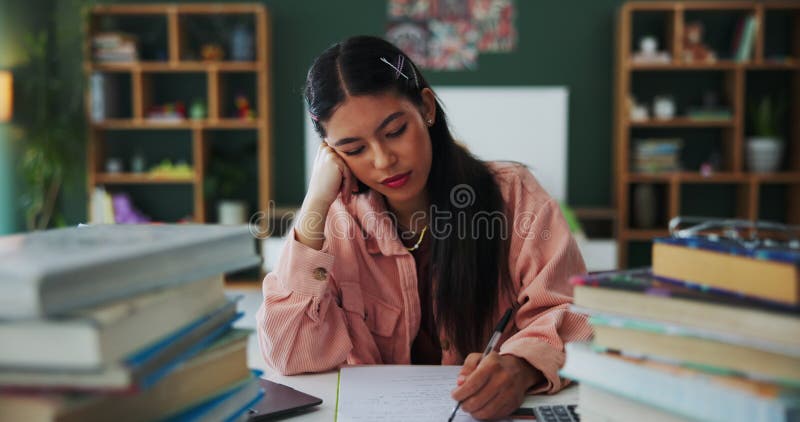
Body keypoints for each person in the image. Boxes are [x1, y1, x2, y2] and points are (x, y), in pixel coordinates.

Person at [257, 35, 592, 420]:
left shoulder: (514, 197)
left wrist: (522, 366)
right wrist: (315, 203)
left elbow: (575, 315)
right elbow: (289, 354)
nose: (383, 161)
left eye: (395, 131)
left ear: (427, 108)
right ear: (331, 155)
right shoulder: (333, 224)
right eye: (354, 150)